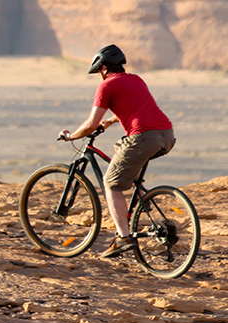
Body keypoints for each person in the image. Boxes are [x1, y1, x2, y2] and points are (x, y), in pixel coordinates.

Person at [59, 43, 175, 259]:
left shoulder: (106, 86)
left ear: (103, 68)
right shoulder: (136, 79)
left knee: (110, 183)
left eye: (99, 72)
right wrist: (112, 121)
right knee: (121, 151)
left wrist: (71, 136)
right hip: (166, 135)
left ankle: (123, 237)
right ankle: (142, 195)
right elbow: (139, 108)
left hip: (143, 137)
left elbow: (91, 124)